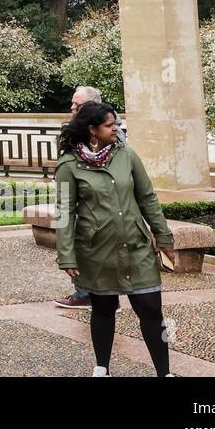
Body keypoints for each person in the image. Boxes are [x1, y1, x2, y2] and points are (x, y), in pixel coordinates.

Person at [54, 101, 177, 377]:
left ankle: (164, 373)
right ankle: (102, 368)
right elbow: (63, 212)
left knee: (151, 311)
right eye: (110, 125)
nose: (116, 128)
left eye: (116, 124)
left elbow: (147, 198)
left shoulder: (127, 155)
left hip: (136, 246)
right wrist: (67, 255)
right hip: (97, 251)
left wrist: (163, 236)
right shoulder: (68, 165)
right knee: (103, 308)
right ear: (92, 130)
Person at [53, 85, 124, 309]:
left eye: (78, 103)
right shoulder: (73, 143)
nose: (72, 106)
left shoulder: (114, 138)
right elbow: (64, 205)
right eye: (73, 103)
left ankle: (93, 294)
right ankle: (87, 292)